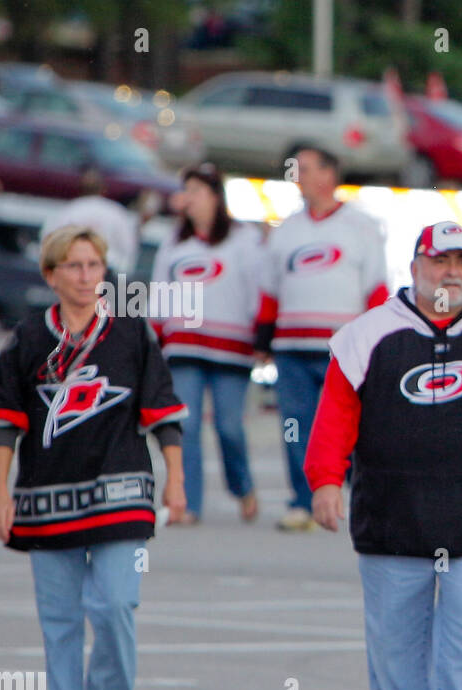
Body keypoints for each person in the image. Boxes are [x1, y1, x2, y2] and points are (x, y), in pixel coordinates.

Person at [304, 221, 462, 690]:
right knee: (398, 646)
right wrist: (325, 481)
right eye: (439, 260)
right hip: (391, 515)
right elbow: (335, 417)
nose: (451, 271)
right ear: (415, 264)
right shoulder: (367, 335)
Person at [0, 226, 186, 690]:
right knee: (61, 620)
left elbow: (162, 412)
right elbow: (5, 421)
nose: (84, 276)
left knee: (116, 604)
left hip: (122, 491)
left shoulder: (130, 334)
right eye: (72, 266)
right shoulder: (27, 338)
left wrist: (176, 478)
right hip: (47, 496)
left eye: (93, 265)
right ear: (51, 275)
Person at [254, 145, 389, 531]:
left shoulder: (362, 227)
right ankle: (302, 501)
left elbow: (377, 289)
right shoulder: (287, 230)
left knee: (354, 426)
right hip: (291, 348)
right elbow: (269, 289)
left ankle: (356, 494)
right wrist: (262, 341)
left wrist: (377, 342)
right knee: (296, 426)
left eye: (305, 168)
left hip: (342, 349)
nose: (296, 175)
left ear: (329, 175)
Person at [151, 162, 262, 525]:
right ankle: (188, 503)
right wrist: (154, 338)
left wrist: (261, 334)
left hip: (232, 347)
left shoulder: (243, 239)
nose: (192, 200)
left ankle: (242, 486)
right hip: (183, 347)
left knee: (229, 426)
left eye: (199, 192)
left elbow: (257, 289)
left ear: (216, 197)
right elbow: (159, 294)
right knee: (187, 426)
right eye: (188, 192)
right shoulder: (173, 242)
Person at [40, 168, 139, 274]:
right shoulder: (116, 213)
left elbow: (48, 242)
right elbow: (128, 247)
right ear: (103, 189)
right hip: (106, 270)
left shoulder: (67, 211)